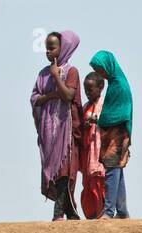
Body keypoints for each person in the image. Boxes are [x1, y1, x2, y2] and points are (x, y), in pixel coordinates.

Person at [30, 30, 83, 220]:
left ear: (63, 48)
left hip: (66, 130)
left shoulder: (71, 71)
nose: (48, 52)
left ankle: (58, 213)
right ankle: (71, 213)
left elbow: (69, 95)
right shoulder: (42, 74)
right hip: (48, 131)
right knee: (55, 169)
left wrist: (56, 77)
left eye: (52, 48)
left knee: (64, 169)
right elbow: (35, 98)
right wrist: (51, 95)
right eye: (47, 49)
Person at [90, 51, 133, 219]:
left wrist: (102, 120)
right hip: (113, 133)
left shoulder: (119, 86)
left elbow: (121, 113)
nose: (99, 73)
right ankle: (122, 212)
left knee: (111, 170)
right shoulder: (115, 83)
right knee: (116, 170)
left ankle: (109, 211)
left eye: (100, 69)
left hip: (118, 134)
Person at [78, 72, 106, 219]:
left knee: (99, 182)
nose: (88, 93)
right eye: (86, 90)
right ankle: (91, 214)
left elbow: (108, 123)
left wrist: (97, 121)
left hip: (100, 152)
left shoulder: (105, 105)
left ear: (101, 87)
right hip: (88, 152)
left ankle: (102, 212)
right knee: (88, 184)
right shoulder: (85, 107)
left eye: (90, 89)